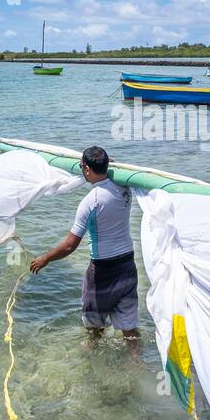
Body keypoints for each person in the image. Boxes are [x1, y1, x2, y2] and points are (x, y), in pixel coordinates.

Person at [30, 146, 140, 356]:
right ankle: (137, 362)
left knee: (93, 322)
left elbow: (71, 245)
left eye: (82, 167)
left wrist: (46, 258)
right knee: (130, 328)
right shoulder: (125, 187)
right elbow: (111, 172)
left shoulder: (91, 201)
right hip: (128, 265)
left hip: (103, 271)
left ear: (88, 170)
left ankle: (92, 349)